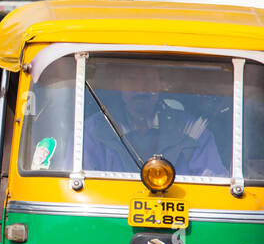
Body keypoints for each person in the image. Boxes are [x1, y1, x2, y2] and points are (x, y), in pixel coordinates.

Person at [82, 66, 226, 177]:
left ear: (160, 84)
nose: (140, 89)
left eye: (148, 80)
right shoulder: (92, 130)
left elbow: (214, 180)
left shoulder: (192, 130)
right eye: (132, 80)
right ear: (119, 85)